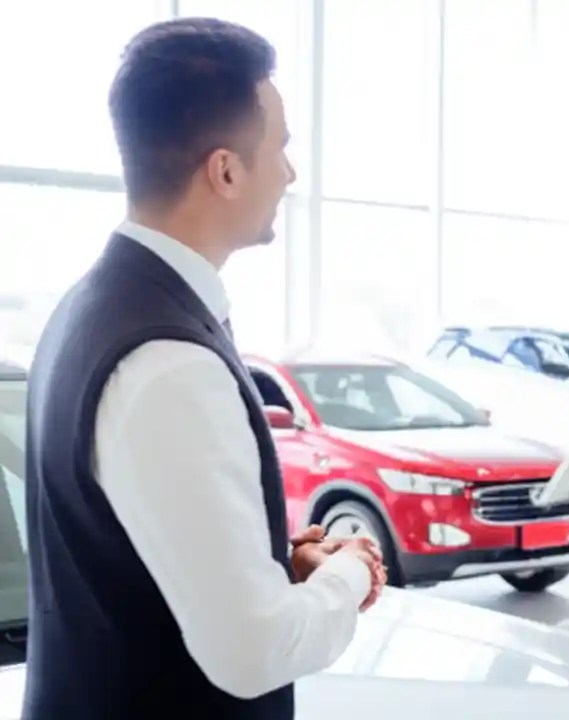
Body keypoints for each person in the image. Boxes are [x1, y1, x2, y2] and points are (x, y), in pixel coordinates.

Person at [23, 18, 387, 719]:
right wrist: (351, 569)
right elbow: (252, 654)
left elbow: (124, 549)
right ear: (225, 170)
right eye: (279, 148)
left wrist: (274, 567)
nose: (289, 172)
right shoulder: (169, 364)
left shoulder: (88, 309)